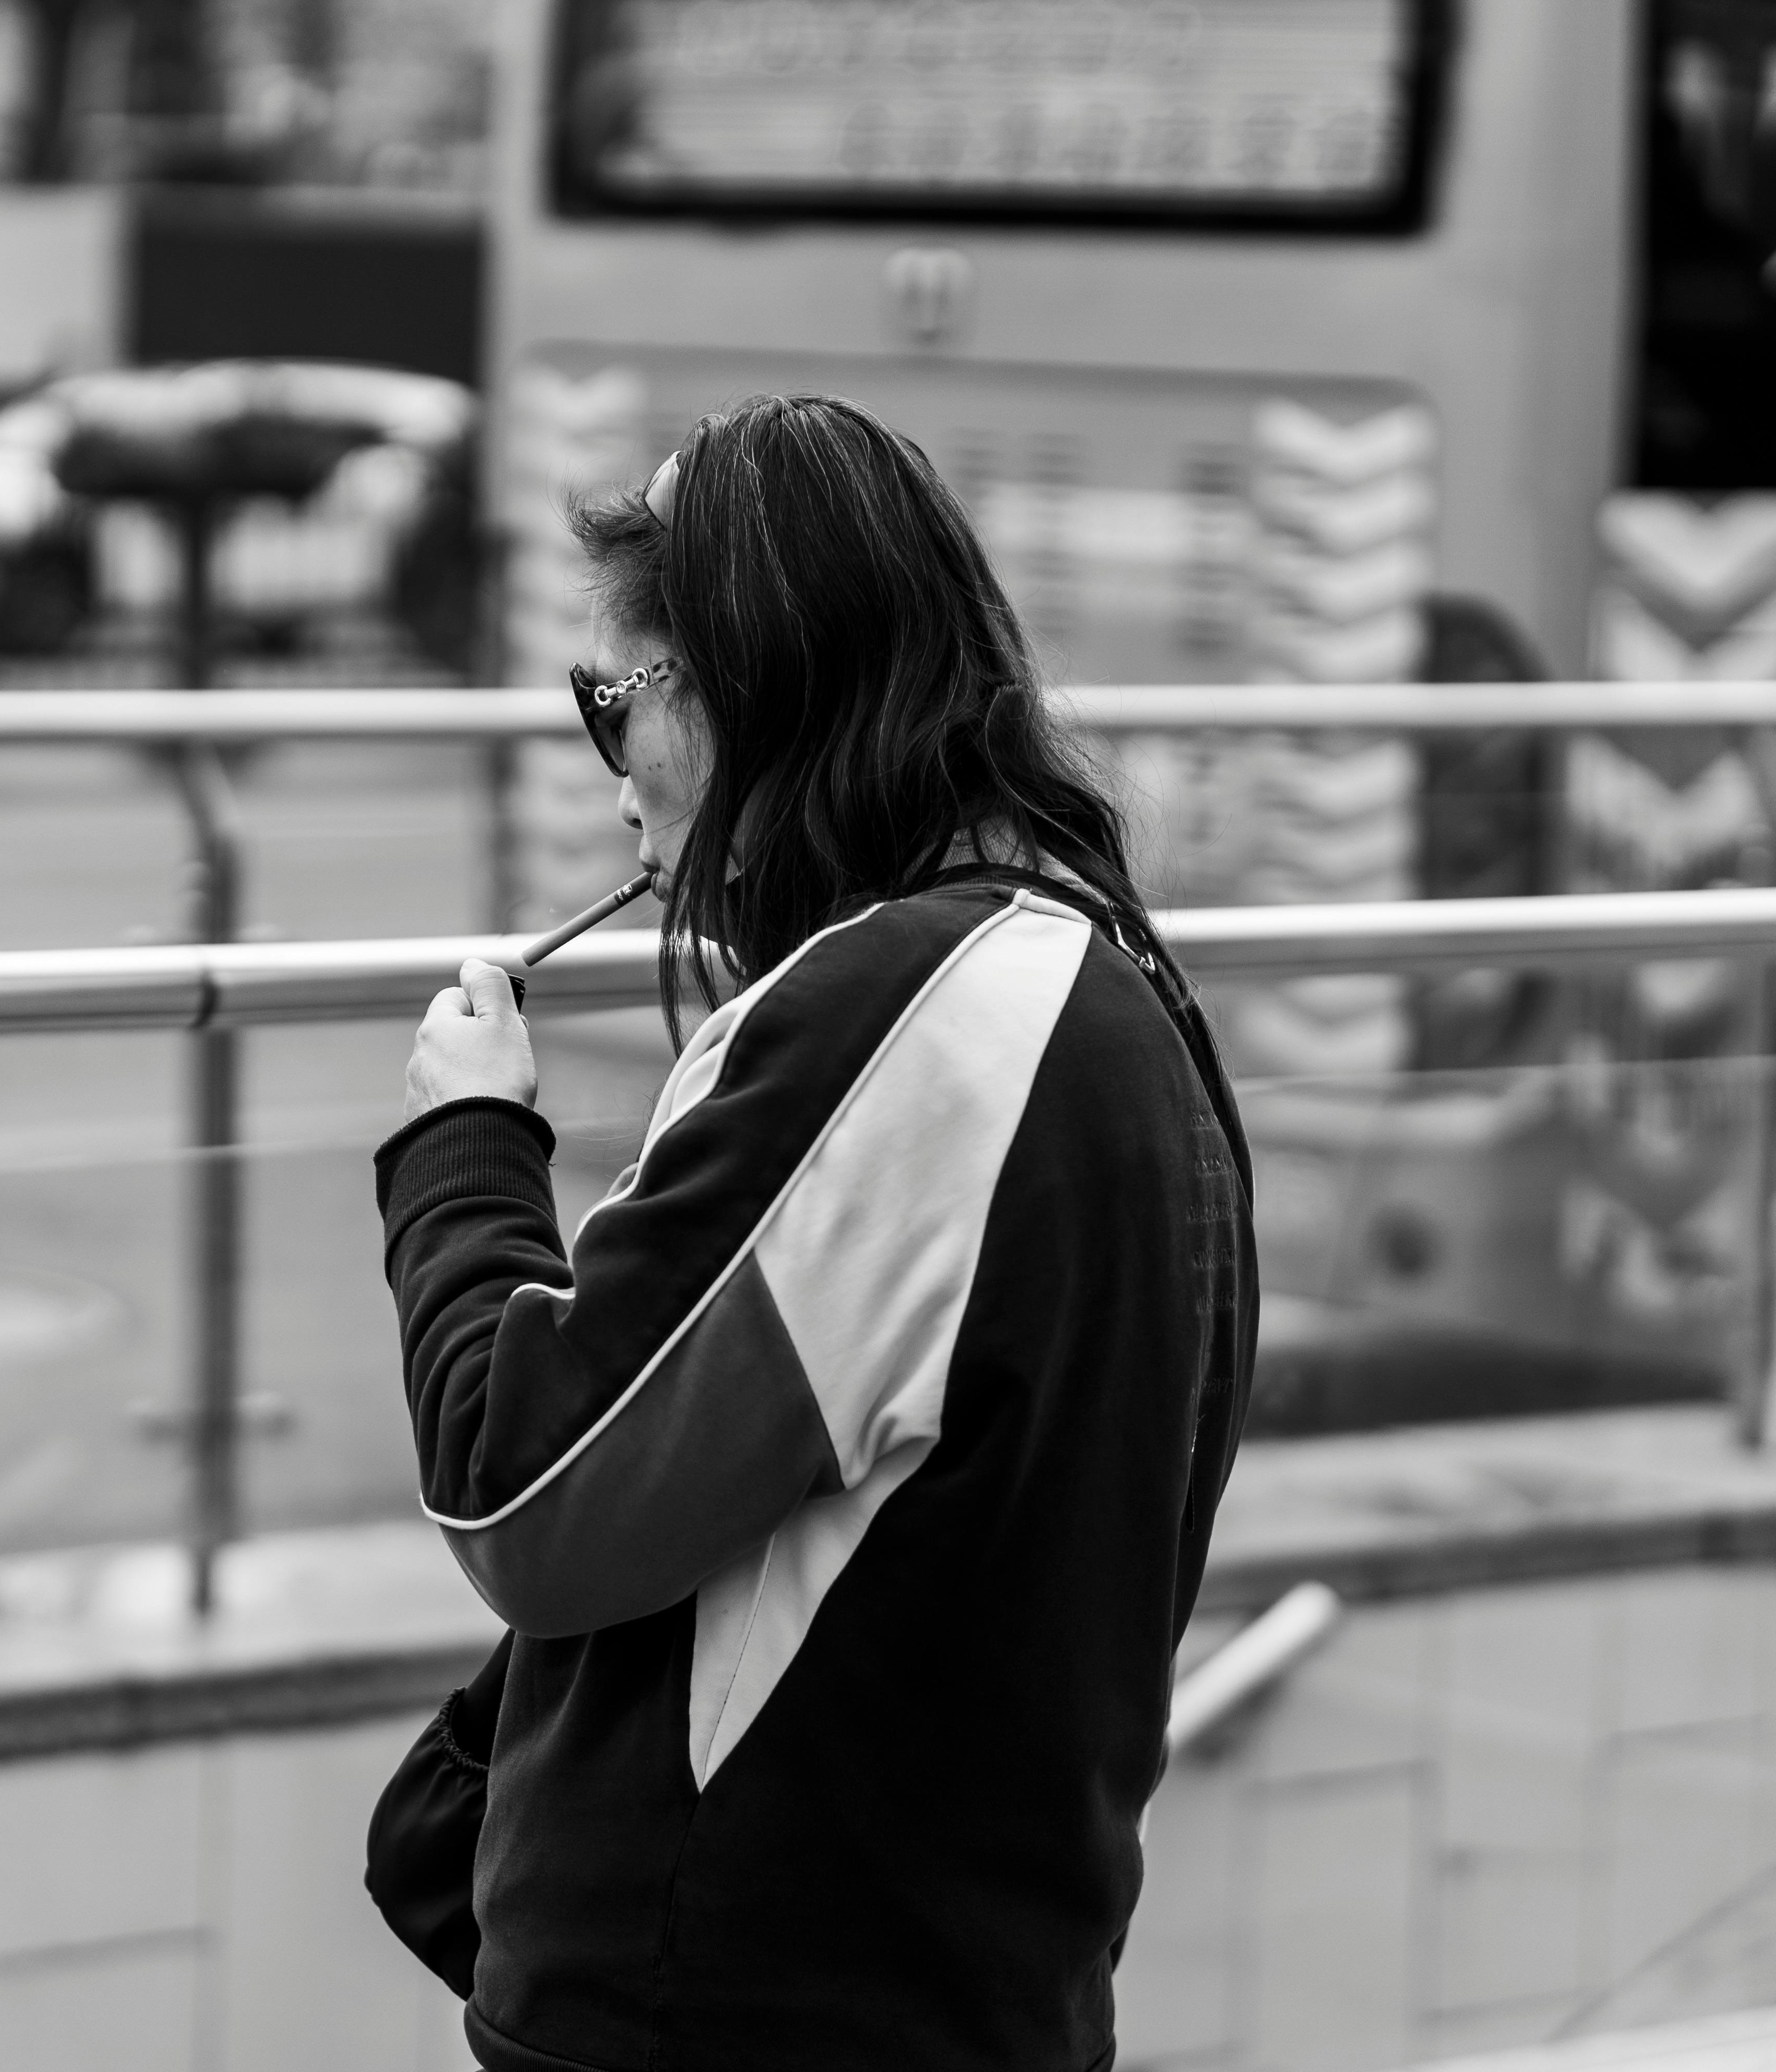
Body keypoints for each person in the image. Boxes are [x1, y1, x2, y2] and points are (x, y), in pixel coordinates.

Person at [371, 393, 1255, 2071]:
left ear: (741, 691)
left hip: (753, 2017)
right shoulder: (1108, 978)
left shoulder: (905, 1019)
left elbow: (527, 1480)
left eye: (610, 701)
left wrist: (463, 1150)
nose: (611, 767)